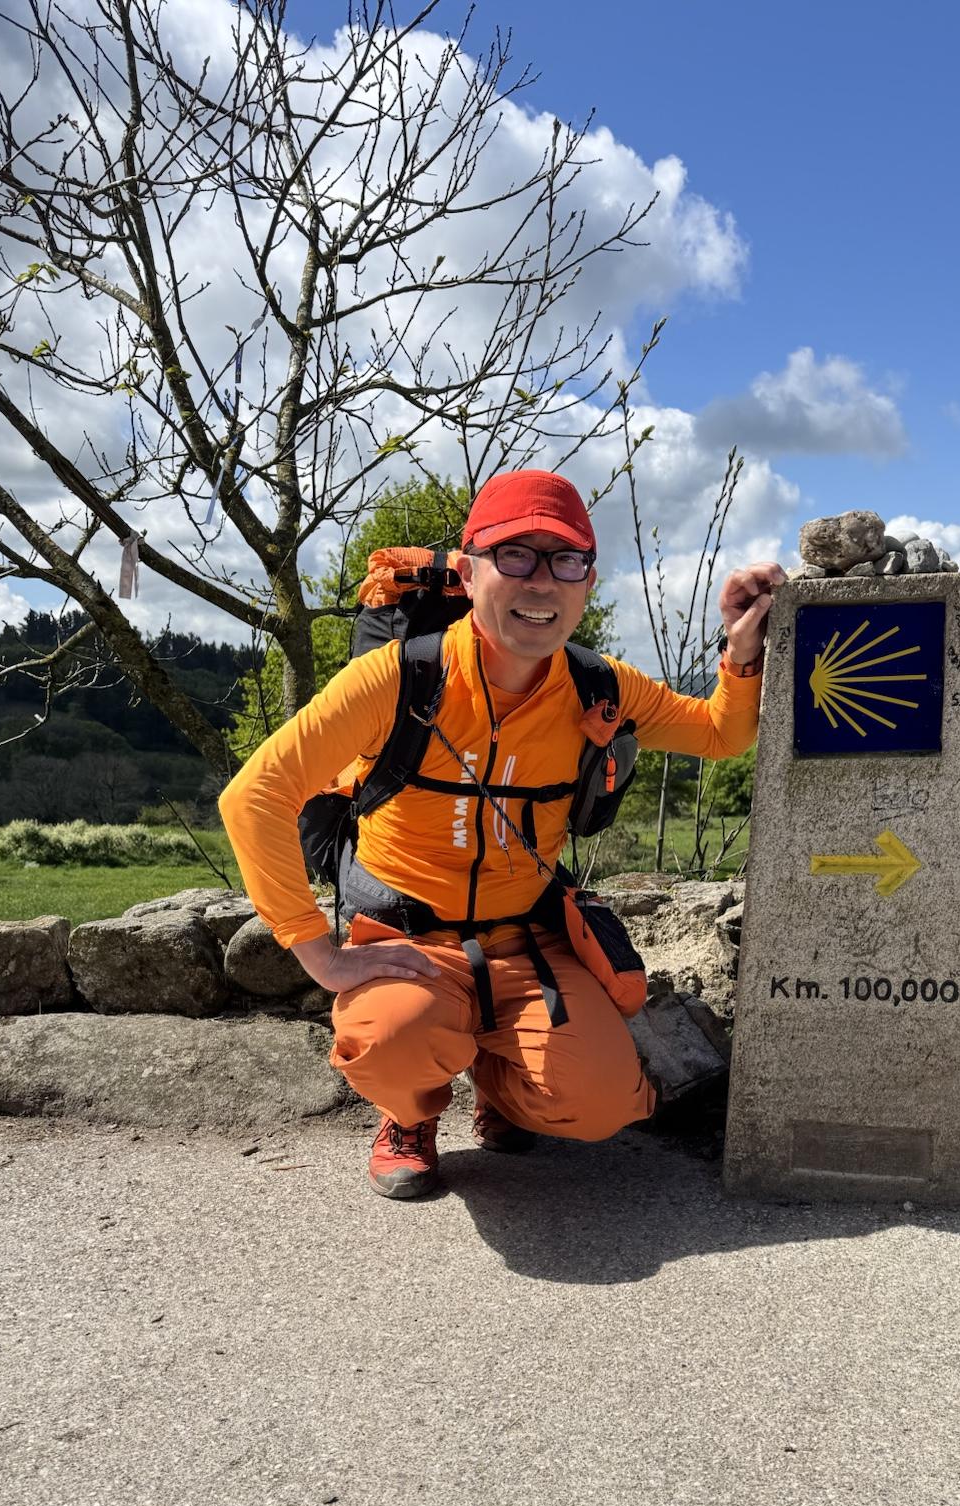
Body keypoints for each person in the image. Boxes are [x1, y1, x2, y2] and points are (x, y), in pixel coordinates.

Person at [218, 469, 783, 1199]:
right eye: (515, 555)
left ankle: (504, 1082)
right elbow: (255, 795)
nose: (541, 582)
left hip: (528, 940)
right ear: (470, 566)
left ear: (587, 582)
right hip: (407, 941)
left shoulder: (597, 684)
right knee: (391, 1040)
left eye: (565, 560)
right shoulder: (398, 680)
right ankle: (409, 1116)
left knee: (603, 1101)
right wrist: (320, 956)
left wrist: (740, 653)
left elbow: (721, 733)